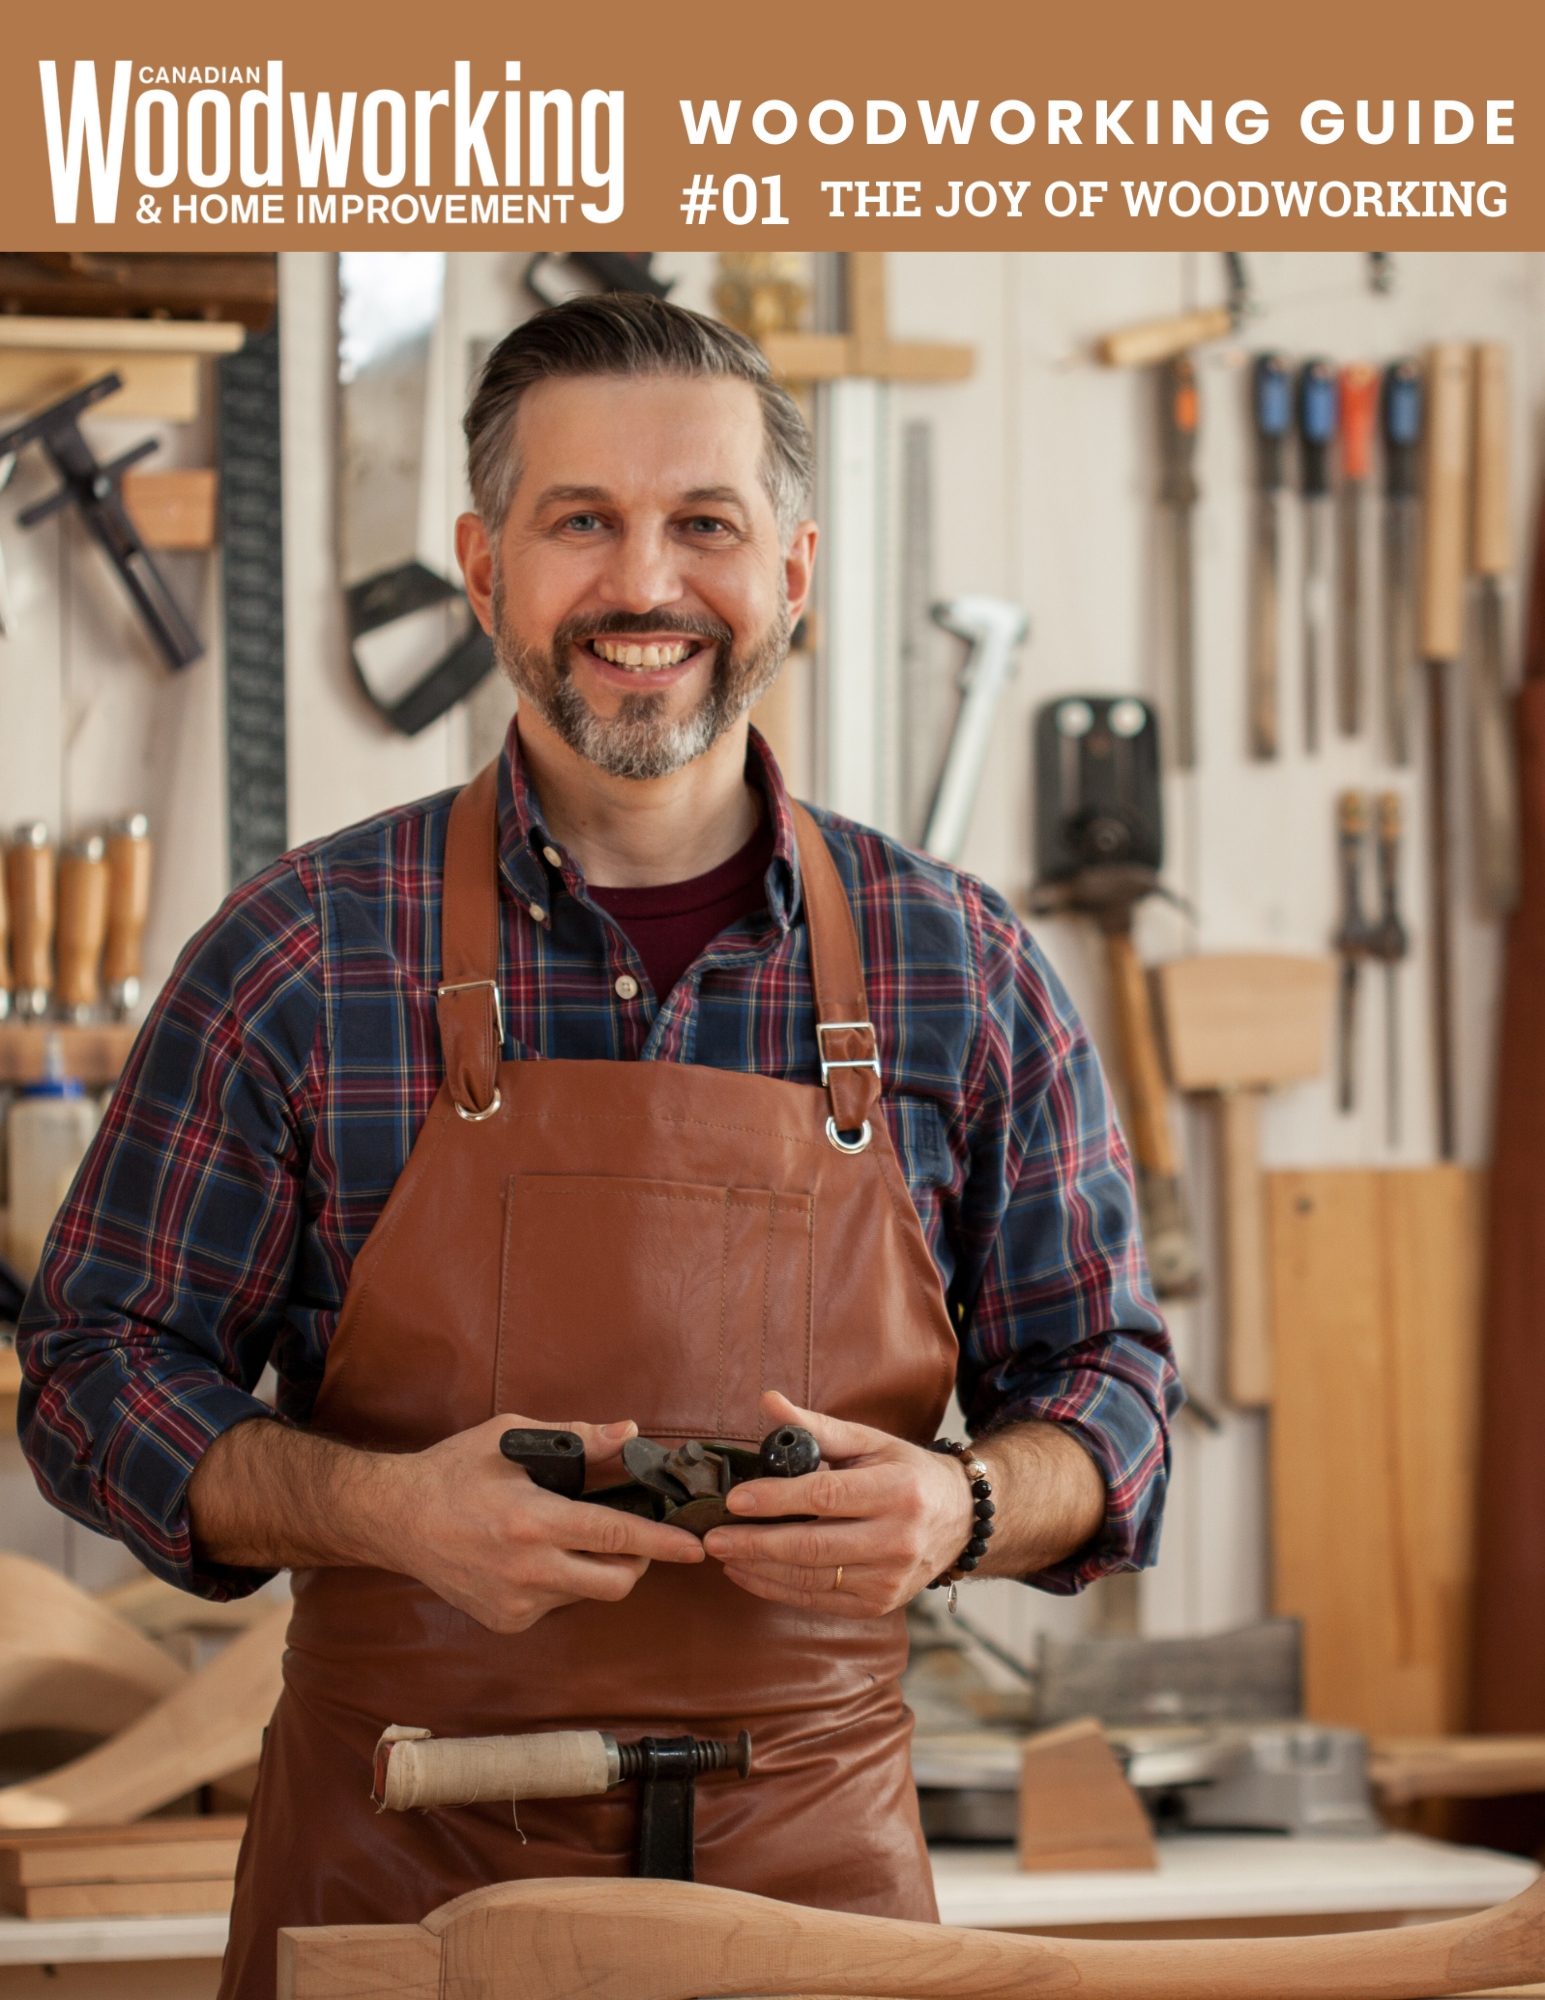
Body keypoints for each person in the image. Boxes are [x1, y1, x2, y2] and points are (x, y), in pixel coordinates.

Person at [16, 293, 1180, 1999]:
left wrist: (965, 1499)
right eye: (581, 523)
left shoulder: (960, 964)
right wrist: (383, 1512)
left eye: (703, 524)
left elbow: (1113, 1387)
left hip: (812, 1883)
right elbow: (89, 1372)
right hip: (399, 1858)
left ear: (790, 571)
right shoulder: (300, 953)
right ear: (484, 566)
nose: (644, 585)